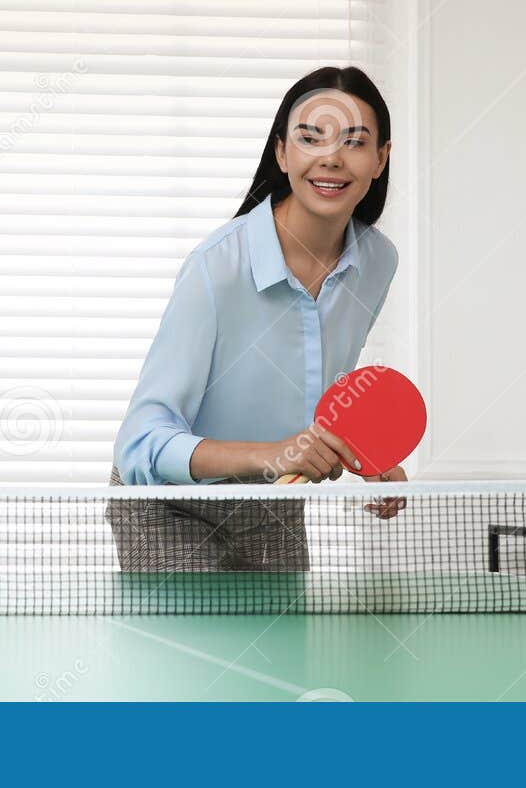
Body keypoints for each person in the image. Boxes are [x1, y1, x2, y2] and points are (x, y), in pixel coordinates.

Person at [108, 66, 404, 572]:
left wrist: (362, 451)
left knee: (285, 652)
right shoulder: (216, 268)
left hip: (276, 501)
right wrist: (274, 454)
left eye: (354, 142)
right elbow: (141, 443)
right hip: (171, 508)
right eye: (310, 139)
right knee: (197, 651)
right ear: (282, 153)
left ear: (381, 158)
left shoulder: (377, 262)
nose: (330, 157)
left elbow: (316, 379)